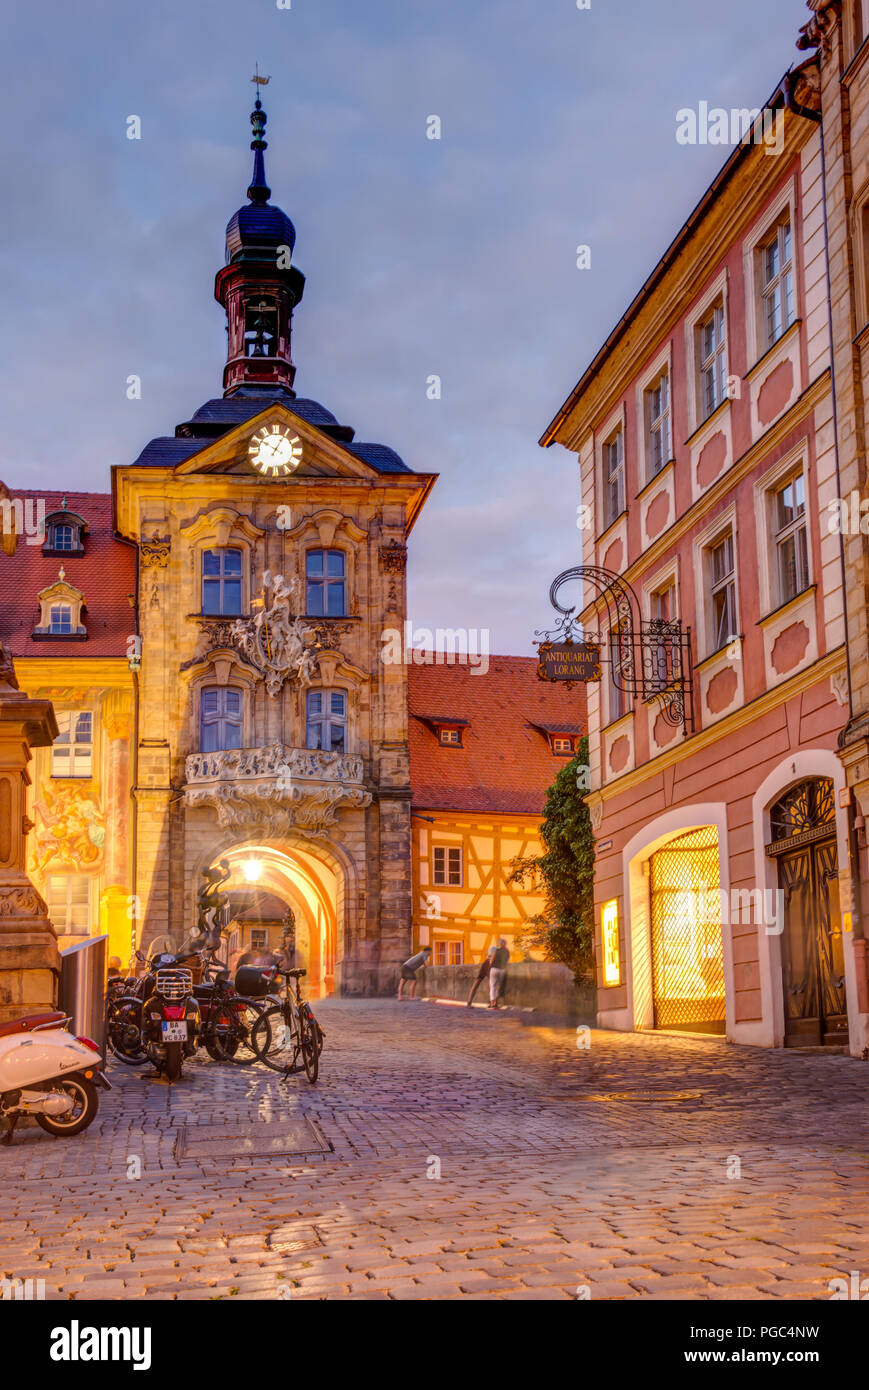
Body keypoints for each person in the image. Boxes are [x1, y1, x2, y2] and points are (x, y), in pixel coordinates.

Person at [488, 938, 510, 1009]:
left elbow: (491, 961)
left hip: (494, 969)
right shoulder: (507, 951)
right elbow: (507, 961)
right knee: (498, 987)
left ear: (499, 944)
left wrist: (490, 966)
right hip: (502, 970)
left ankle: (492, 1003)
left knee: (492, 986)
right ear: (505, 944)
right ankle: (496, 1002)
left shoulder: (496, 950)